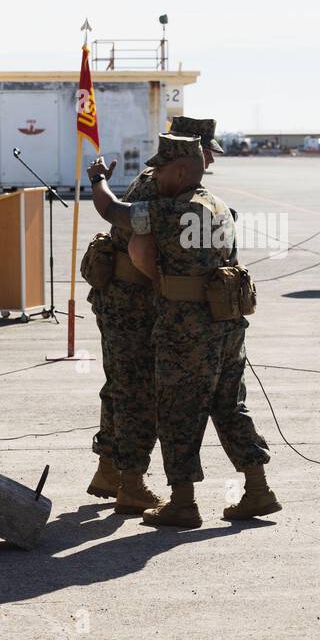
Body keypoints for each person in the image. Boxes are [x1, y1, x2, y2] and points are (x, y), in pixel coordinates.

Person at [87, 133, 280, 528]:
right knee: (229, 406)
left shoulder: (168, 212)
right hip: (227, 323)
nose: (154, 176)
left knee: (178, 411)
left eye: (160, 170)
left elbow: (113, 212)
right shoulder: (222, 208)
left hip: (186, 326)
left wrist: (97, 180)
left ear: (179, 171)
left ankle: (182, 502)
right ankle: (258, 488)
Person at [83, 115, 224, 504]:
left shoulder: (161, 179)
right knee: (136, 391)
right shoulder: (162, 186)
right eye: (206, 153)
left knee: (122, 386)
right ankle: (129, 482)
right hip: (132, 299)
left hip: (123, 296)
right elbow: (138, 244)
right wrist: (164, 286)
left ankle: (110, 470)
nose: (209, 162)